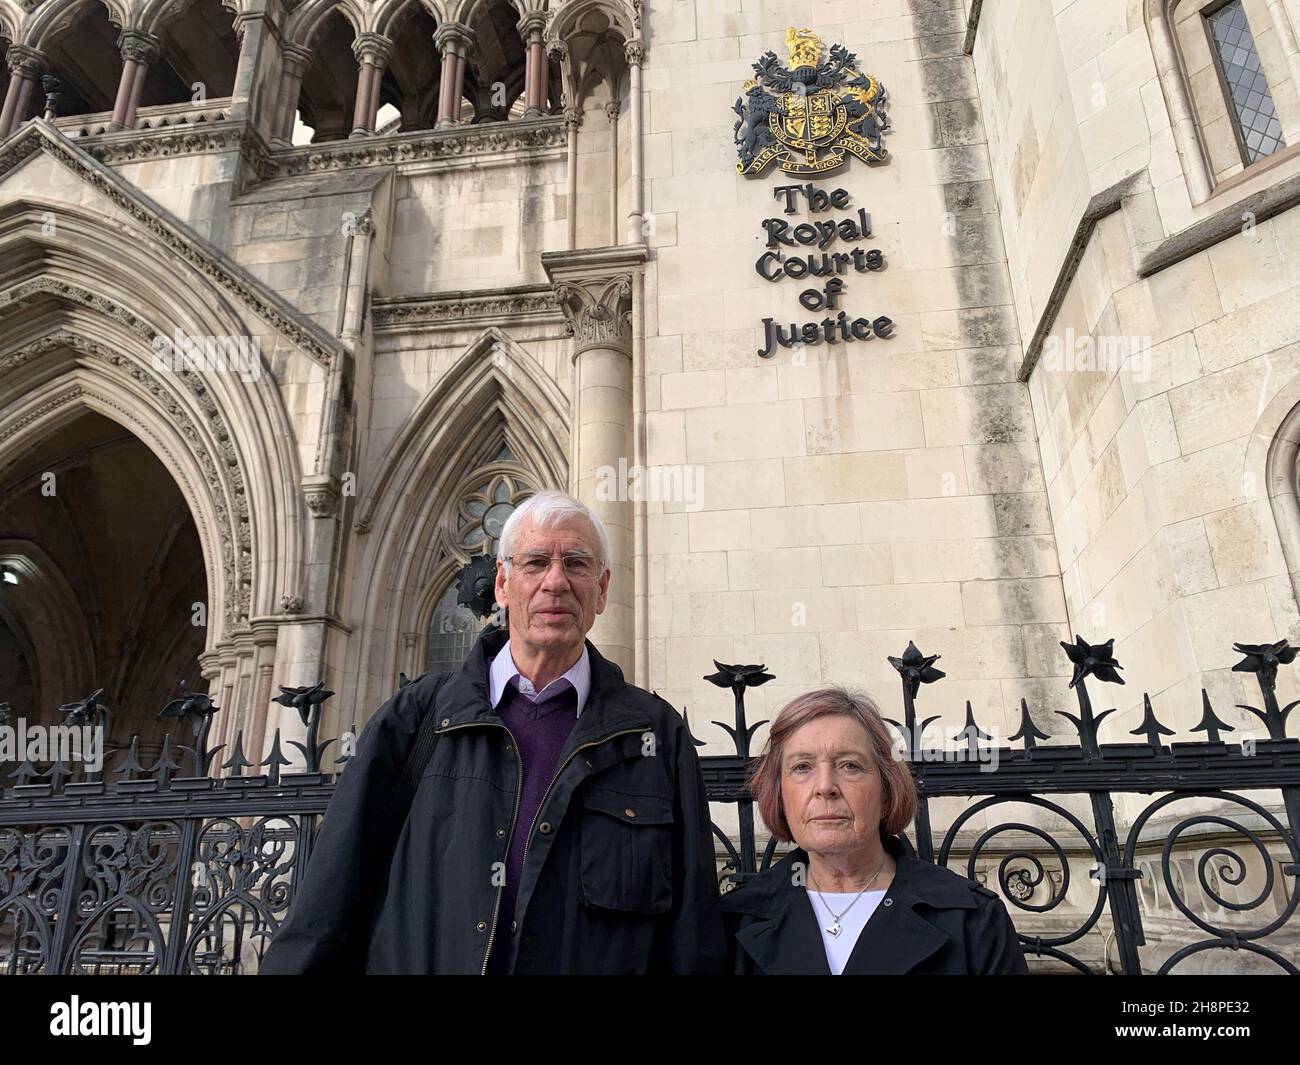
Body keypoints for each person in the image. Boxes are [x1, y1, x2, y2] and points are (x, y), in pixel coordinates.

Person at [260, 490, 726, 974]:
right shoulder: (417, 719)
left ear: (602, 589)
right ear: (503, 583)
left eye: (576, 564)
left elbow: (692, 936)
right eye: (535, 562)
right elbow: (328, 903)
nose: (556, 582)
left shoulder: (655, 735)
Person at [721, 686, 1028, 974]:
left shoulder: (971, 918)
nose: (825, 787)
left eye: (849, 766)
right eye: (802, 767)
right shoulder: (734, 921)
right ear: (780, 792)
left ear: (886, 787)